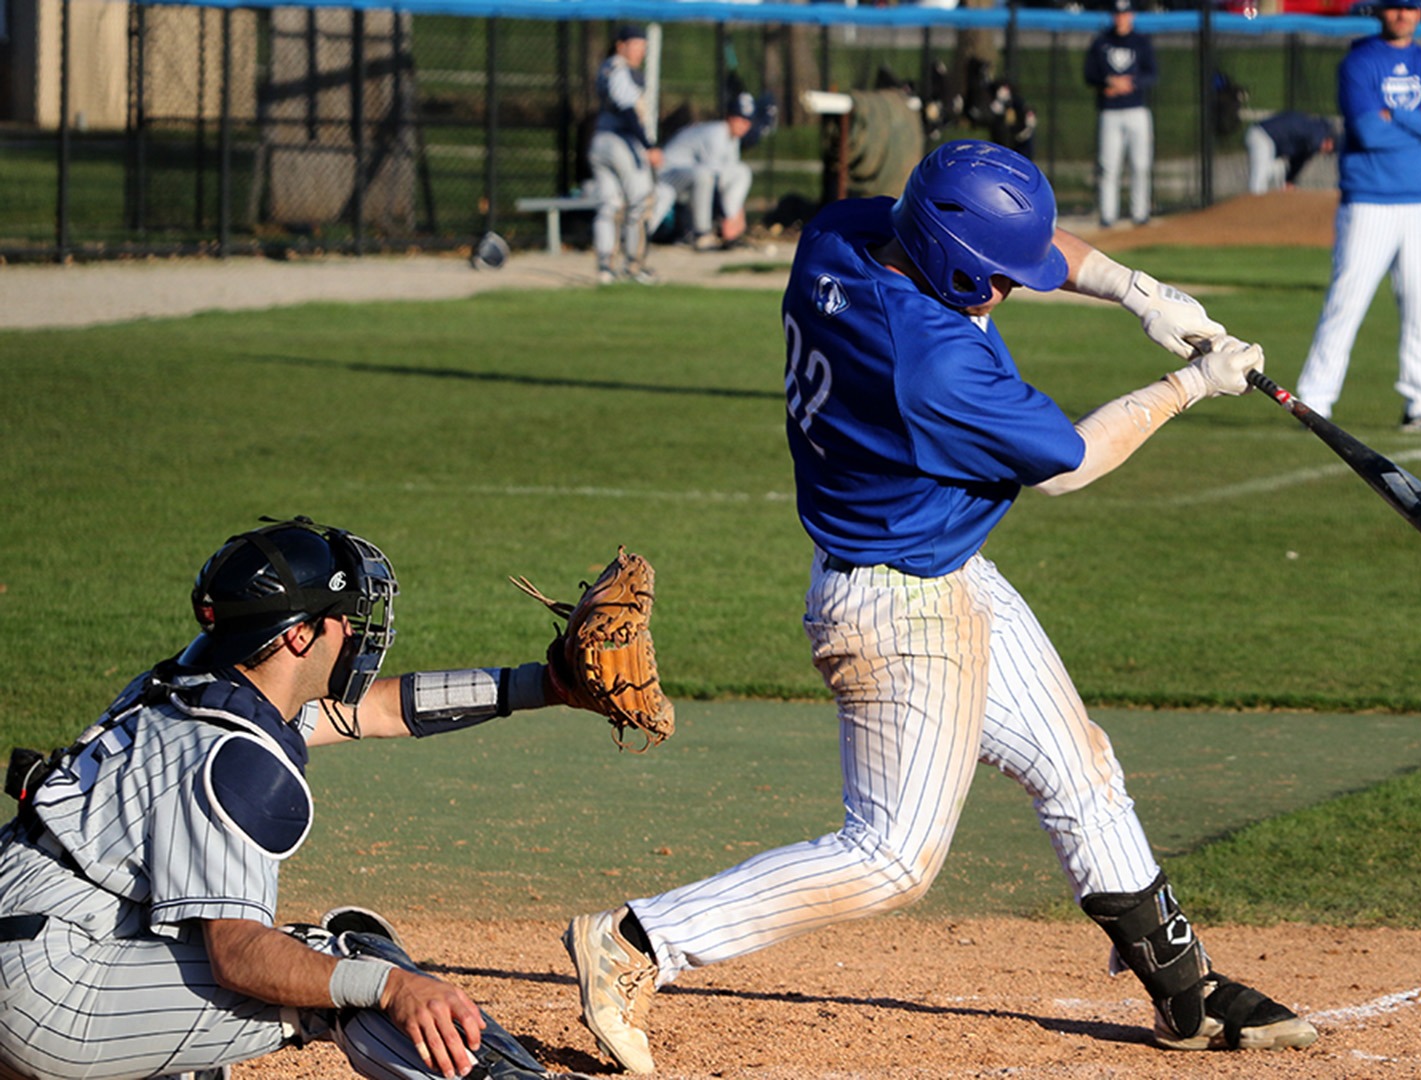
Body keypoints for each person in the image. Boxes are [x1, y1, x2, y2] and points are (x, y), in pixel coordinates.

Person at [560, 140, 1319, 1075]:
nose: (1018, 287)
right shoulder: (936, 366)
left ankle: (1184, 993)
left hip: (944, 573)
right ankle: (637, 943)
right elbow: (1074, 463)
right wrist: (1189, 385)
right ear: (957, 267)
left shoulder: (843, 236)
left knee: (1079, 769)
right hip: (893, 612)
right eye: (1004, 277)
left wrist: (1137, 289)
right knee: (890, 857)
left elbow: (1025, 244)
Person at [0, 517, 583, 1080]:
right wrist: (390, 985)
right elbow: (239, 956)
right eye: (343, 618)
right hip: (48, 996)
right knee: (337, 969)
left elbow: (378, 710)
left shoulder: (182, 689)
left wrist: (545, 684)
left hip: (36, 942)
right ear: (299, 634)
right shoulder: (233, 757)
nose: (354, 632)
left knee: (200, 1050)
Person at [1295, 0, 1421, 431]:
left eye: (1411, 7)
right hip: (1368, 201)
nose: (1403, 14)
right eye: (1394, 6)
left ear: (1420, 13)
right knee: (1346, 303)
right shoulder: (1359, 62)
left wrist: (1399, 116)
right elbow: (1369, 131)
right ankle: (1315, 403)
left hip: (1420, 205)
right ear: (1380, 12)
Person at [588, 25, 663, 285]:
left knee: (608, 205)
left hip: (600, 141)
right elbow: (628, 109)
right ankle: (634, 265)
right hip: (620, 143)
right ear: (621, 45)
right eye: (636, 44)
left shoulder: (608, 68)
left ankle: (604, 268)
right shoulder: (619, 69)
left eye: (643, 45)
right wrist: (649, 144)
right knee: (640, 202)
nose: (641, 50)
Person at [653, 90, 759, 252]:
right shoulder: (716, 134)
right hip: (667, 174)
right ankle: (702, 234)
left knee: (742, 172)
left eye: (747, 121)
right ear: (729, 117)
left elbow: (727, 181)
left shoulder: (733, 140)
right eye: (739, 118)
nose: (743, 124)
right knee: (705, 175)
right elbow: (714, 181)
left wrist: (737, 215)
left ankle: (730, 230)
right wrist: (725, 219)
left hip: (688, 176)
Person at [1083, 0, 1157, 229]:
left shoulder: (1141, 42)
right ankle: (1108, 216)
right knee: (1108, 166)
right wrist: (1108, 81)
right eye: (1117, 14)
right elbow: (1089, 74)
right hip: (1110, 111)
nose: (1121, 18)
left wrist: (1130, 83)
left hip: (1136, 109)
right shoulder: (1101, 42)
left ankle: (1140, 214)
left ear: (1131, 16)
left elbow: (1152, 73)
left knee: (1141, 164)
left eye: (1125, 14)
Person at [1246, 111, 1337, 195]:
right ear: (1329, 140)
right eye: (1328, 149)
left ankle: (1263, 206)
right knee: (1259, 179)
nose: (1323, 152)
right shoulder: (1317, 131)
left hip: (1269, 140)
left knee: (1271, 172)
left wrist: (1289, 180)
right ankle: (1252, 206)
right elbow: (1315, 141)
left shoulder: (1310, 143)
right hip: (1262, 135)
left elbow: (1299, 161)